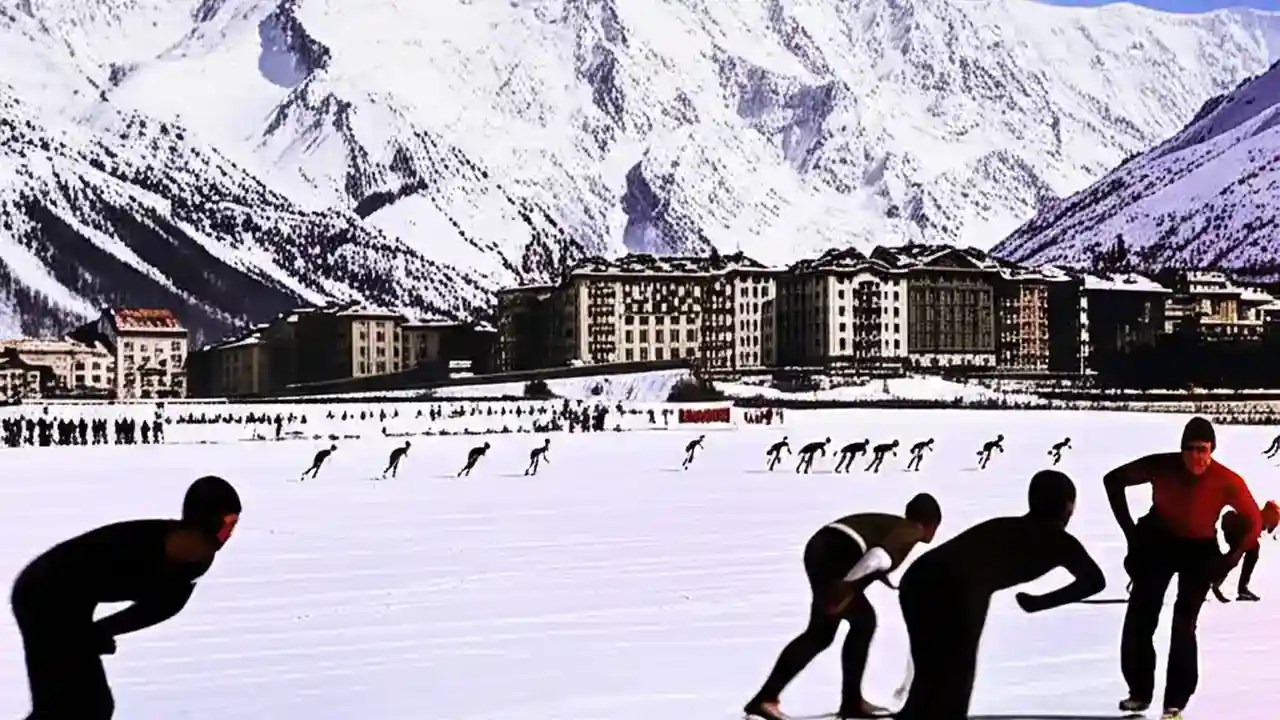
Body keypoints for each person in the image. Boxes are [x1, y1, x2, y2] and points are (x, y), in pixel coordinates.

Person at [10, 476, 242, 719]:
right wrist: (85, 638)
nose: (229, 534)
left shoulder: (196, 563)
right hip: (41, 593)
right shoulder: (136, 546)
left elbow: (156, 609)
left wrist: (101, 631)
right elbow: (66, 582)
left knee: (91, 707)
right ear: (205, 520)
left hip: (73, 600)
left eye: (234, 525)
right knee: (69, 708)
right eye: (227, 524)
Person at [895, 470, 1105, 720]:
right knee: (954, 678)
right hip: (959, 587)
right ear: (1068, 506)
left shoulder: (1005, 525)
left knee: (931, 673)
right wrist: (1039, 602)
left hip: (918, 578)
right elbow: (1095, 581)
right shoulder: (1060, 541)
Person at [1104, 417, 1261, 719]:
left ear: (1212, 449)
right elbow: (1113, 480)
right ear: (1181, 450)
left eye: (1202, 449)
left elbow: (1254, 520)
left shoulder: (1227, 479)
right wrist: (1130, 534)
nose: (1196, 457)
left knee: (1184, 622)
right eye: (1190, 449)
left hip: (1199, 549)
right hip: (1158, 540)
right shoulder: (1162, 465)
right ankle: (1139, 693)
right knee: (1141, 614)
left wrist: (1230, 559)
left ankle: (1175, 702)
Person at [744, 493, 943, 720]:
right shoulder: (912, 529)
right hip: (836, 551)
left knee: (826, 633)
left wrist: (874, 578)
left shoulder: (894, 524)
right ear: (931, 524)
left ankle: (845, 701)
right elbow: (877, 556)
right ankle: (772, 700)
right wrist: (845, 587)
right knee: (856, 624)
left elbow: (873, 556)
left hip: (826, 546)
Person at [1211, 500, 1280, 603]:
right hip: (1235, 529)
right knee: (1236, 555)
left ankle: (1221, 581)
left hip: (1235, 528)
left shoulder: (1258, 519)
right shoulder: (1255, 523)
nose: (1267, 528)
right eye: (1271, 524)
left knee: (1251, 550)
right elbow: (1242, 546)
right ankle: (1214, 580)